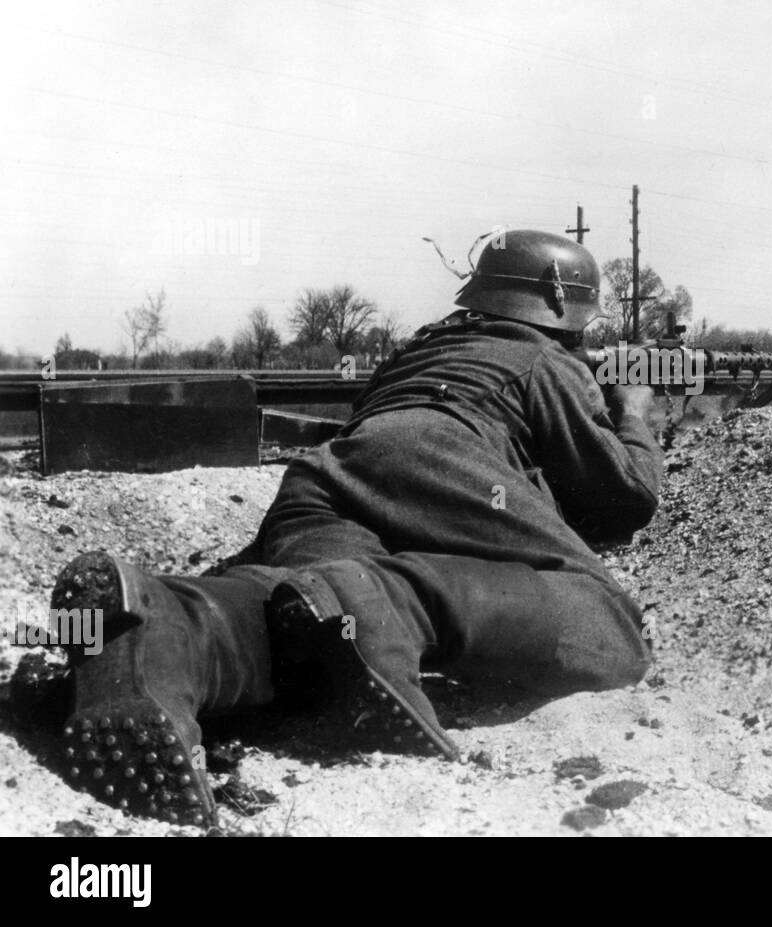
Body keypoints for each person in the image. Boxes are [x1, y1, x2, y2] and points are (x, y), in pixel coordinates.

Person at [51, 229, 660, 825]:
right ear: (559, 304)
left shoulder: (413, 353)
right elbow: (623, 500)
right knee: (607, 627)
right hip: (445, 461)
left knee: (297, 619)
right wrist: (632, 413)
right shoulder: (544, 359)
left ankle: (167, 626)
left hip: (328, 477)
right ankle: (395, 603)